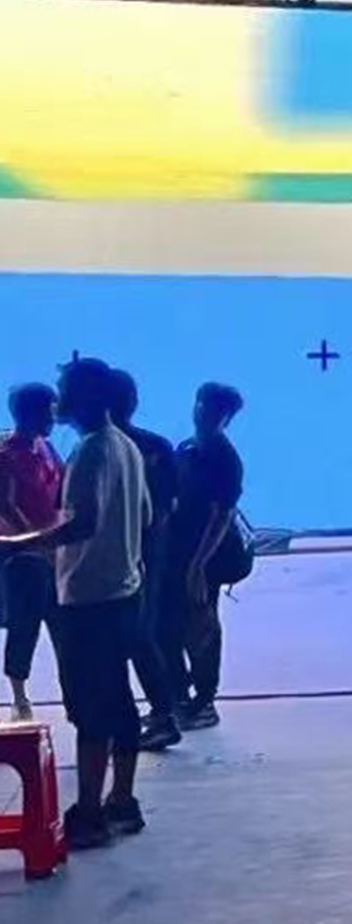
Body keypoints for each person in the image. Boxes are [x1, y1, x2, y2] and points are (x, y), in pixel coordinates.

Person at [0, 359, 150, 849]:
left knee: (90, 708)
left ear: (84, 397)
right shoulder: (125, 446)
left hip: (89, 598)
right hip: (124, 591)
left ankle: (89, 811)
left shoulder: (89, 451)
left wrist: (20, 542)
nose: (57, 399)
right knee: (120, 699)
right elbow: (144, 515)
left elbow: (81, 524)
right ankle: (122, 801)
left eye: (63, 390)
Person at [105, 370, 185, 750]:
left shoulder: (105, 449)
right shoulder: (152, 446)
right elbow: (168, 507)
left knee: (138, 636)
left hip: (133, 557)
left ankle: (162, 713)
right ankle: (160, 711)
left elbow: (163, 508)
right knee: (140, 634)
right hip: (145, 554)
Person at [165, 383, 245, 732]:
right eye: (201, 404)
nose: (203, 413)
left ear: (226, 417)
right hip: (175, 552)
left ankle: (205, 698)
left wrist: (198, 565)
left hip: (205, 557)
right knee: (168, 626)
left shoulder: (225, 459)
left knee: (202, 625)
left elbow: (221, 515)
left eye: (213, 409)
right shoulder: (186, 448)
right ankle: (178, 697)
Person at [1, 383, 63, 722]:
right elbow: (8, 506)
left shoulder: (47, 448)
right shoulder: (6, 455)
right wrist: (38, 541)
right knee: (25, 625)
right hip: (24, 556)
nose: (54, 417)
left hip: (56, 552)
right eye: (48, 412)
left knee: (63, 624)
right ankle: (20, 696)